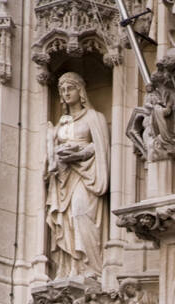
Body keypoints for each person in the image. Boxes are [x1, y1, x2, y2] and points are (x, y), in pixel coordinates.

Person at [45, 72, 110, 280]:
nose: (65, 93)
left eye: (70, 88)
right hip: (64, 177)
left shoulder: (94, 117)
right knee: (69, 220)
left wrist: (81, 153)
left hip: (86, 175)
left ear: (80, 90)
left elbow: (101, 148)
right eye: (62, 90)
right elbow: (50, 156)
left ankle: (91, 267)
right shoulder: (61, 125)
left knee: (82, 214)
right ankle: (72, 267)